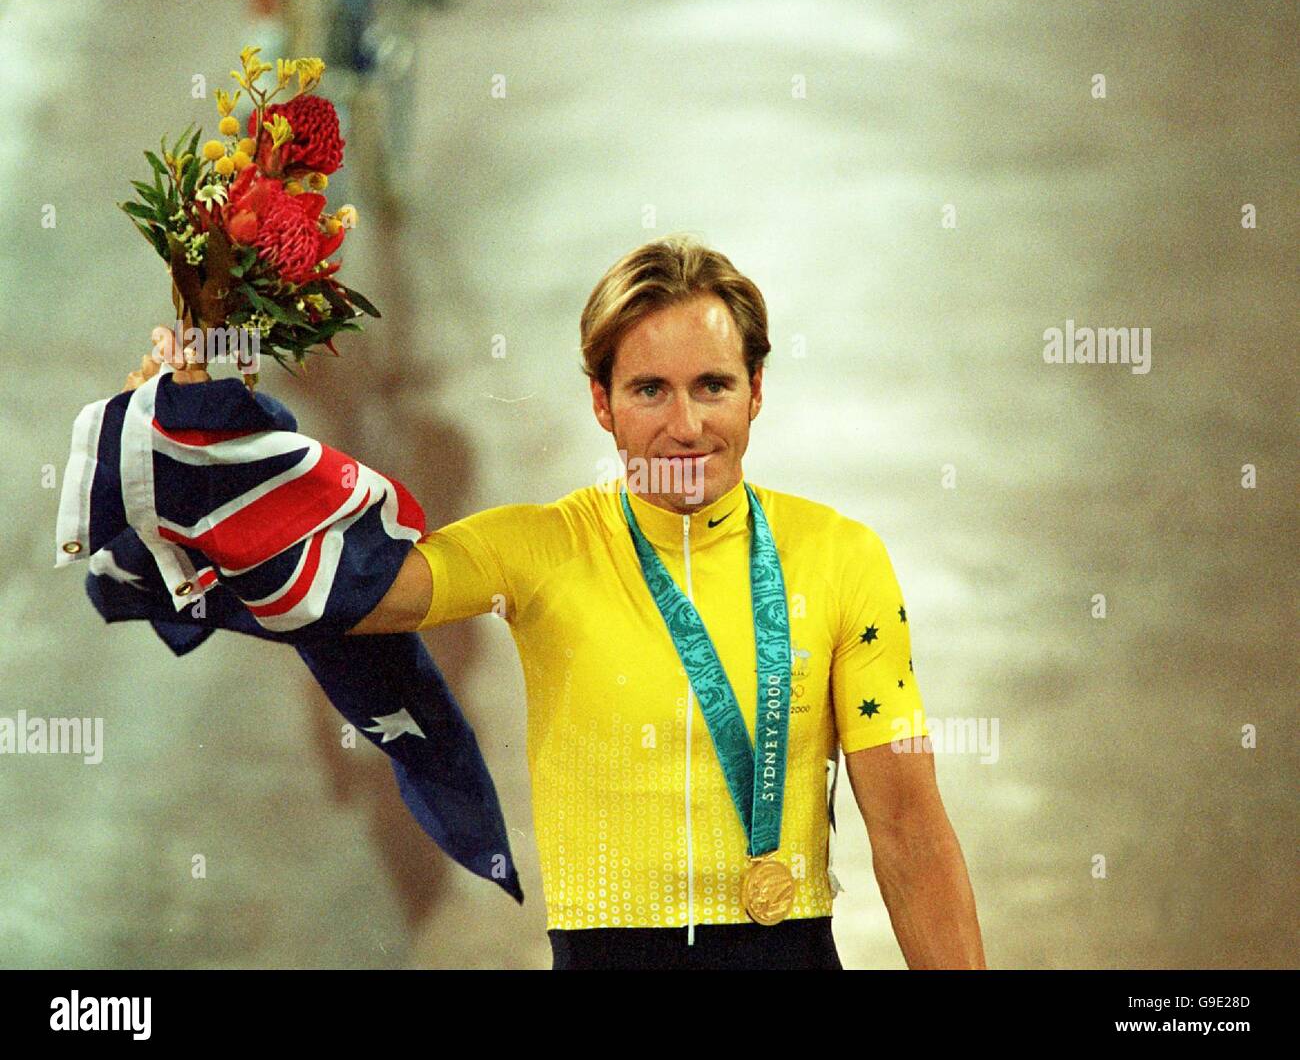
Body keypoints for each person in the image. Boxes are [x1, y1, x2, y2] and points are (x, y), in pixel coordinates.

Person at [124, 234, 986, 970]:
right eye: (650, 390)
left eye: (713, 386)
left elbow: (910, 831)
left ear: (757, 391)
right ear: (601, 404)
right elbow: (352, 590)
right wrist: (190, 425)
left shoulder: (842, 558)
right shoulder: (538, 549)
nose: (685, 424)